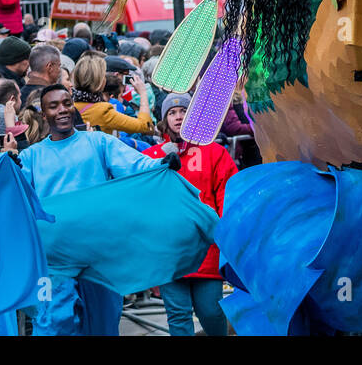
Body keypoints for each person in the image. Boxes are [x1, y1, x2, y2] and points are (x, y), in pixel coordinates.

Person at [19, 84, 164, 336]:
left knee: (104, 325)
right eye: (54, 106)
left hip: (99, 254)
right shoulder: (31, 156)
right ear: (44, 115)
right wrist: (6, 173)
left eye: (66, 103)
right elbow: (17, 199)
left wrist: (164, 164)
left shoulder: (99, 141)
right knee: (54, 323)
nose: (62, 110)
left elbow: (137, 166)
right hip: (55, 259)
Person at [142, 93, 237, 336]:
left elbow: (228, 196)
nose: (178, 116)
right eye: (172, 113)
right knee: (178, 315)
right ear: (164, 120)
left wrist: (223, 235)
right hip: (169, 252)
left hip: (206, 250)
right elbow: (142, 204)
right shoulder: (150, 158)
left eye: (183, 111)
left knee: (211, 312)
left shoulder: (215, 152)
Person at [71, 53, 155, 137]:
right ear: (99, 81)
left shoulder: (68, 104)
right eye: (103, 76)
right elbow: (146, 127)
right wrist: (143, 93)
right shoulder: (103, 111)